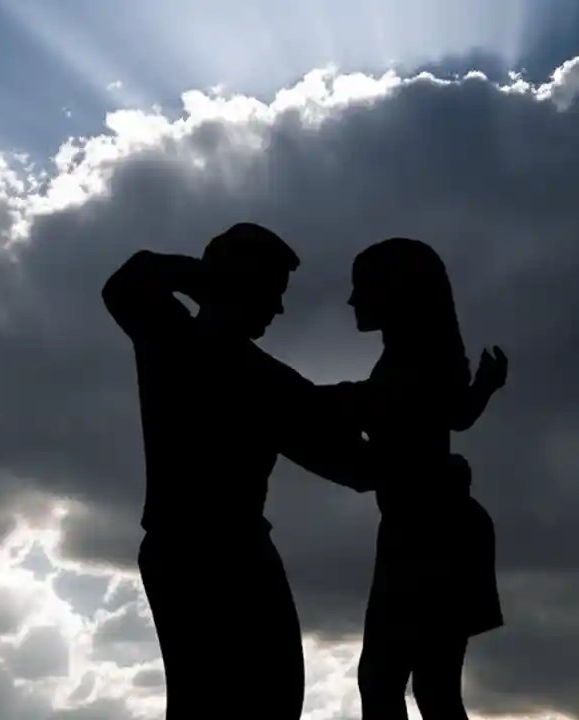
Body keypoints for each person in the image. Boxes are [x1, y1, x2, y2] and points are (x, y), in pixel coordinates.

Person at [101, 222, 375, 719]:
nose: (279, 308)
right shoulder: (224, 362)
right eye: (272, 291)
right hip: (224, 554)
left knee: (220, 702)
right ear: (238, 285)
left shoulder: (176, 339)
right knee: (261, 700)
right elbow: (352, 461)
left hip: (191, 551)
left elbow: (353, 463)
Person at [318, 238, 508, 720]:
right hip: (427, 530)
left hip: (427, 535)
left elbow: (375, 405)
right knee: (426, 686)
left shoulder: (412, 367)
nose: (352, 300)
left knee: (392, 682)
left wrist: (298, 399)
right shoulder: (415, 360)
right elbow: (457, 413)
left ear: (395, 291)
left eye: (362, 287)